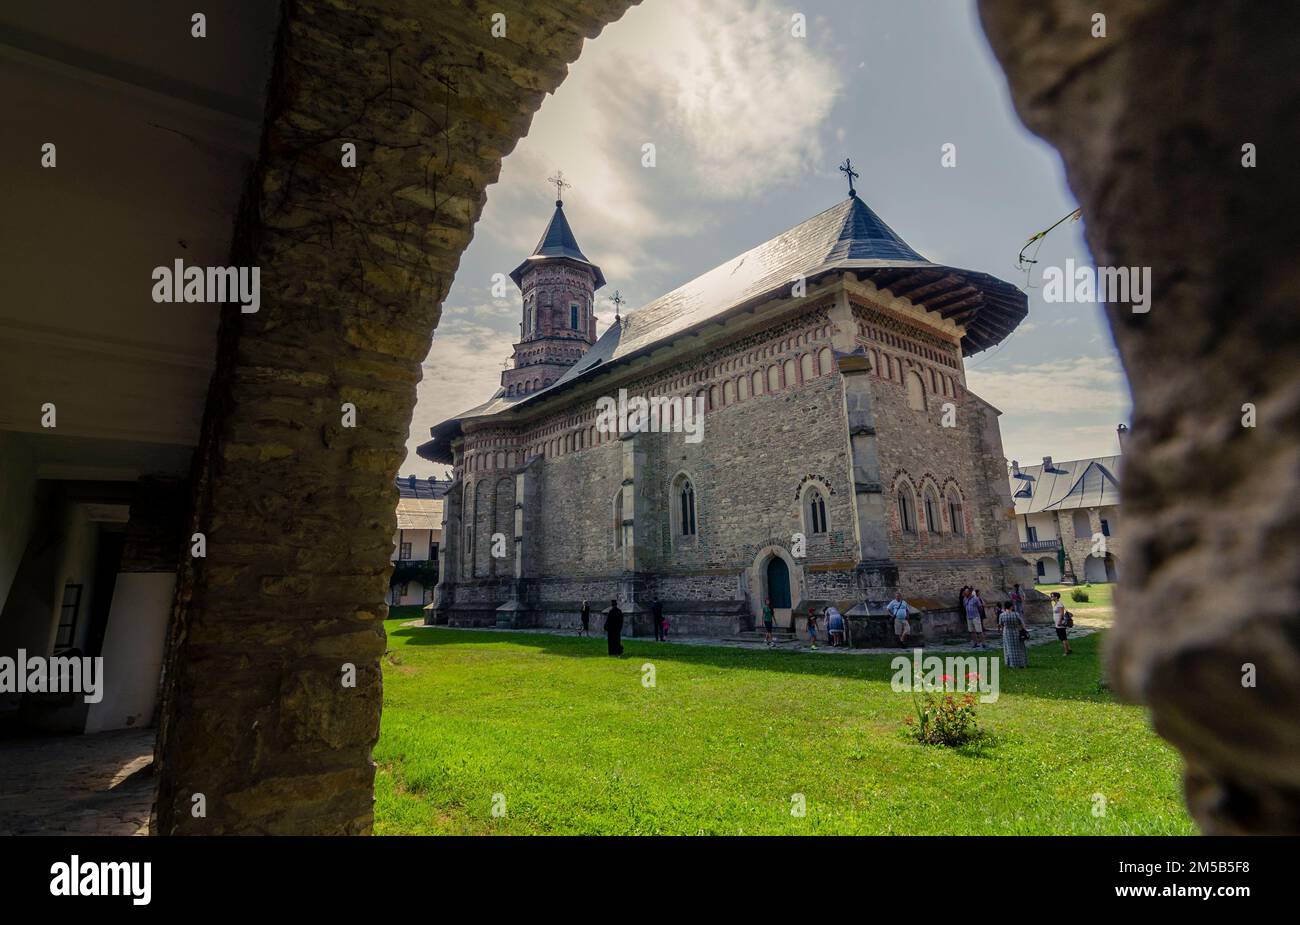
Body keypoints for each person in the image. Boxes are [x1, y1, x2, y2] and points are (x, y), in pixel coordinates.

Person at [999, 601, 1029, 668]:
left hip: (1007, 632)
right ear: (1011, 606)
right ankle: (1021, 663)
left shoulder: (1002, 615)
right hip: (1016, 631)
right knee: (1019, 647)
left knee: (1009, 648)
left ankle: (1011, 663)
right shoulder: (1016, 614)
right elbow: (1021, 623)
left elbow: (1001, 625)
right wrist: (1025, 631)